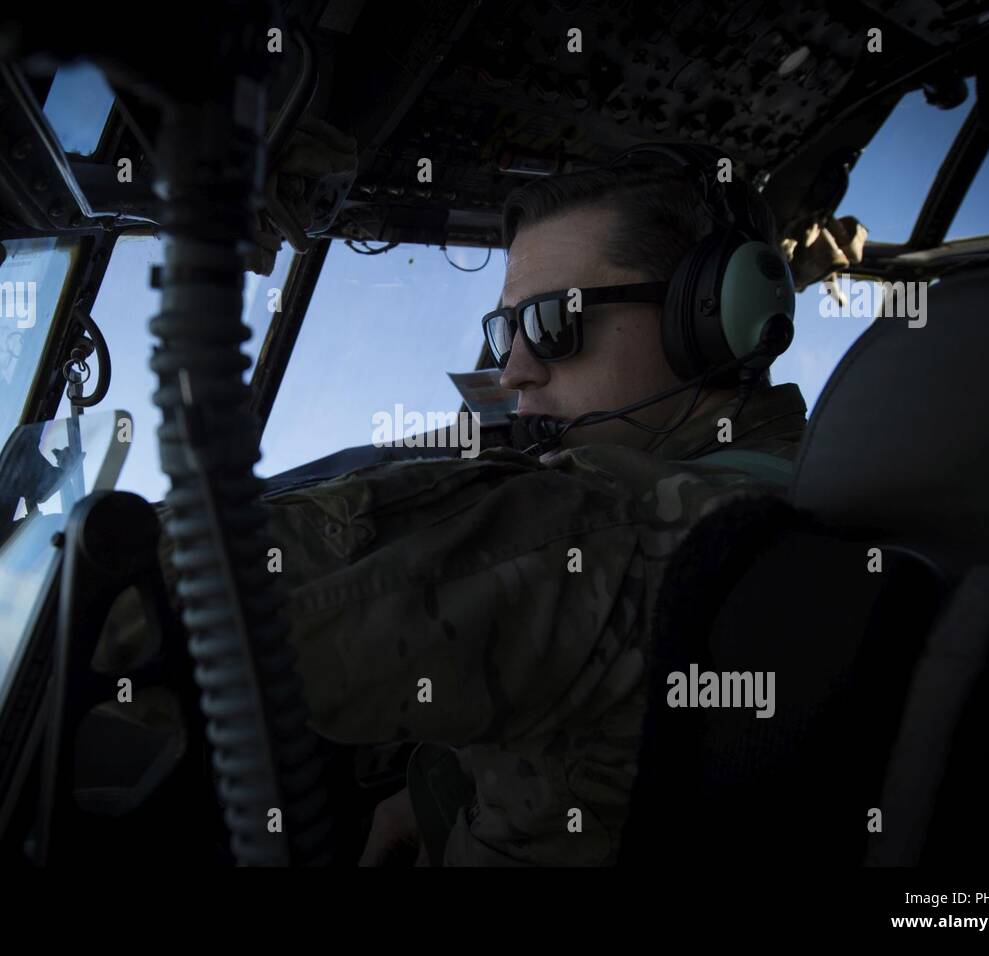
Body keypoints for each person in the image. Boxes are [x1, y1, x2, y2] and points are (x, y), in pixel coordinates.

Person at [154, 151, 862, 865]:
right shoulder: (802, 483)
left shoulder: (612, 520)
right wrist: (434, 794)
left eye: (554, 322)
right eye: (506, 331)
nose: (513, 367)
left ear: (712, 318)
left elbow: (192, 593)